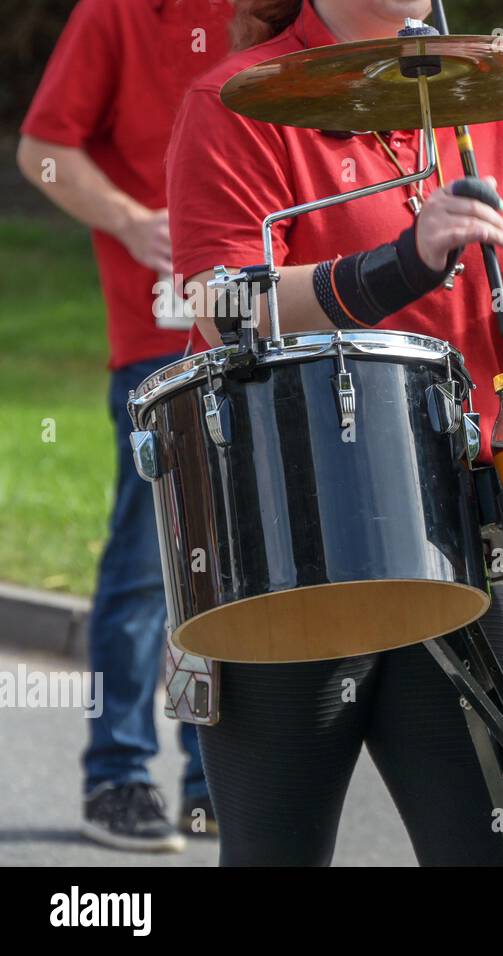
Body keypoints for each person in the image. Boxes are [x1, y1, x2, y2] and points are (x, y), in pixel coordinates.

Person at [165, 0, 503, 865]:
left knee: (498, 849)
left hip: (464, 522)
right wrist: (399, 265)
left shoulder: (493, 91)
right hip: (291, 535)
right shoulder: (235, 96)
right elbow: (219, 306)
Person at [16, 0, 232, 852]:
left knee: (241, 574)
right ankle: (117, 776)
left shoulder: (285, 16)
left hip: (267, 327)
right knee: (150, 569)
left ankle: (212, 780)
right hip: (156, 334)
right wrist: (135, 221)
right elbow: (41, 154)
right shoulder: (116, 12)